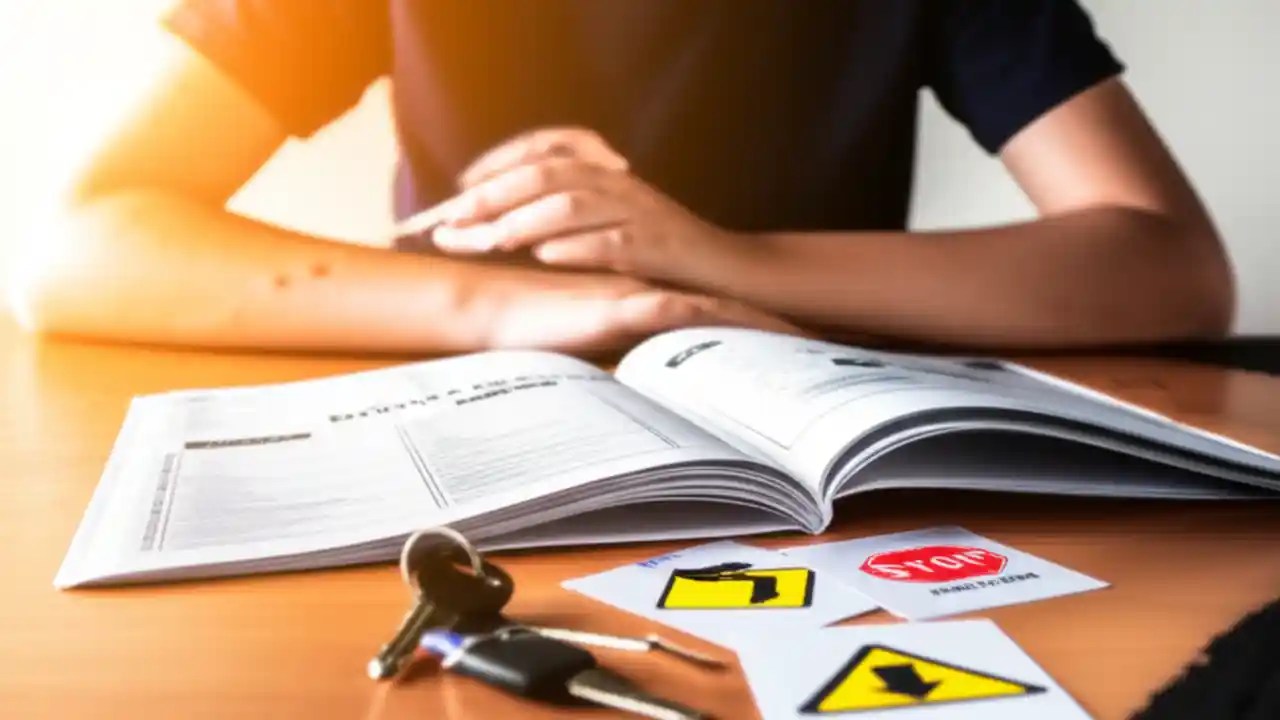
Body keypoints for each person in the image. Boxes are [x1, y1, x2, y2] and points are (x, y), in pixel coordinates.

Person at [10, 1, 1234, 356]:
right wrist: (538, 308)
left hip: (814, 435)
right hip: (476, 401)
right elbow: (76, 250)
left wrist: (713, 260)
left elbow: (1164, 263)